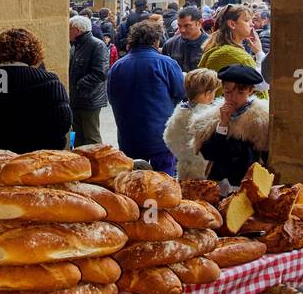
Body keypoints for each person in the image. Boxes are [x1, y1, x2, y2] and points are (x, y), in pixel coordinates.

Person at [106, 20, 185, 174]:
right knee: (164, 182)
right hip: (161, 136)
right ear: (156, 41)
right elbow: (180, 93)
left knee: (133, 181)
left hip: (129, 135)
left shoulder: (117, 66)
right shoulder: (166, 63)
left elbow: (112, 97)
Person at [190, 64, 270, 184]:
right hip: (219, 183)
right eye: (228, 92)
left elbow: (266, 156)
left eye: (240, 92)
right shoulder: (209, 118)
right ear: (223, 89)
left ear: (250, 90)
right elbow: (209, 154)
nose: (233, 97)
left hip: (249, 183)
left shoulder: (261, 119)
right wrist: (223, 124)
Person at [163, 68, 221, 179]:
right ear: (208, 94)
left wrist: (183, 156)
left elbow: (168, 138)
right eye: (214, 92)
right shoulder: (208, 116)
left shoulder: (179, 112)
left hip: (184, 168)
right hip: (205, 172)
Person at [198, 4, 265, 93]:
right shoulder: (232, 54)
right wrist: (259, 53)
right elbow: (262, 83)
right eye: (246, 20)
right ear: (232, 24)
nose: (252, 24)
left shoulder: (222, 49)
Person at [68, 15, 109, 147]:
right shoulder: (76, 46)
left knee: (91, 136)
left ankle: (98, 164)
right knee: (78, 135)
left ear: (78, 30)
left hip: (90, 99)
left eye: (69, 29)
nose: (67, 31)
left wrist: (79, 85)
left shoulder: (97, 45)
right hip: (77, 99)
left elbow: (100, 73)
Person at [162, 5, 208, 72]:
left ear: (200, 23)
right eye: (179, 26)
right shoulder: (170, 45)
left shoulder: (211, 44)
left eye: (187, 26)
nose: (182, 30)